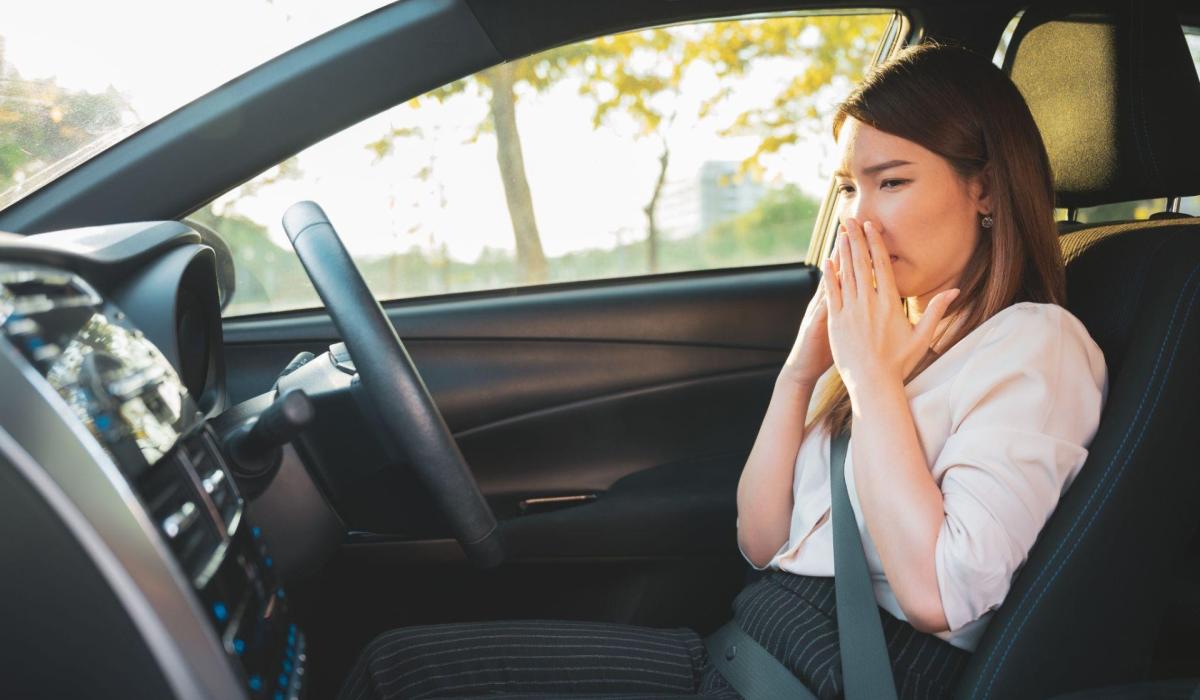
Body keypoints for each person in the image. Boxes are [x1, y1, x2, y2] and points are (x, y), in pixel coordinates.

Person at [337, 41, 1108, 700]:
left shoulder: (1035, 346)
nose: (857, 219)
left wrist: (873, 384)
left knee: (397, 673)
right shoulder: (888, 338)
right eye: (847, 188)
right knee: (396, 664)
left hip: (803, 682)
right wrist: (803, 374)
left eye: (892, 181)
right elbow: (762, 541)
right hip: (733, 660)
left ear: (982, 188)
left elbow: (939, 595)